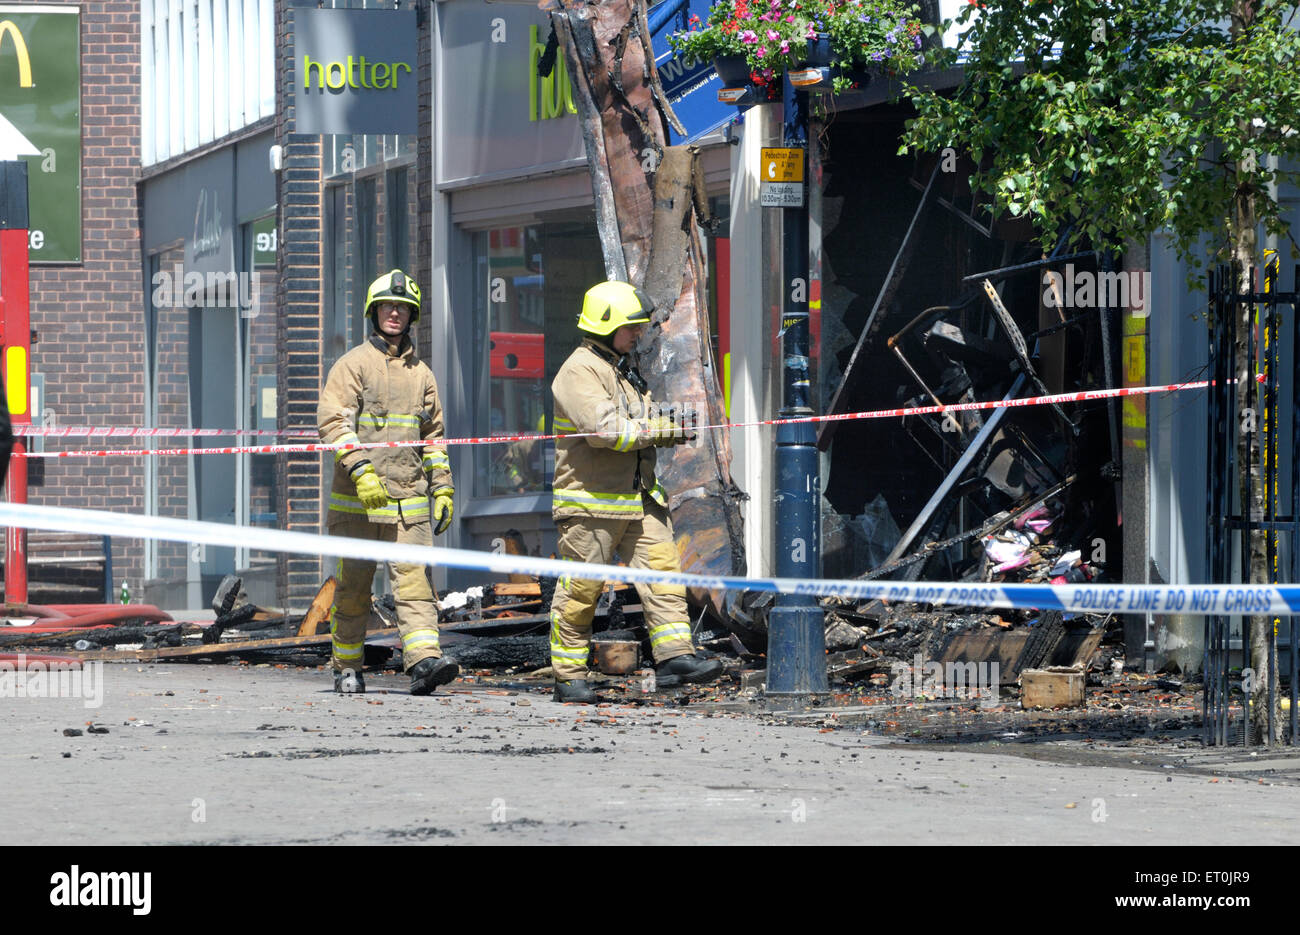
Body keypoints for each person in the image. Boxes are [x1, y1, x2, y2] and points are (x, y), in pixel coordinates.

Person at [548, 280, 722, 703]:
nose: (638, 333)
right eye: (631, 327)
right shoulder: (579, 372)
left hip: (639, 498)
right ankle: (568, 675)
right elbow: (609, 432)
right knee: (581, 590)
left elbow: (639, 423)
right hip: (591, 504)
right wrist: (661, 428)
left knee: (663, 576)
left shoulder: (620, 368)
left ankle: (675, 658)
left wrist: (669, 424)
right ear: (606, 325)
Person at [318, 269, 458, 695]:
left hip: (409, 500)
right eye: (387, 306)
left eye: (403, 307)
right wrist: (360, 472)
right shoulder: (353, 365)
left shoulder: (423, 375)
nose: (394, 313)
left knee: (416, 587)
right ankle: (347, 667)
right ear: (373, 312)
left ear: (412, 315)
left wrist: (443, 487)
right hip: (356, 503)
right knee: (354, 589)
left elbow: (434, 438)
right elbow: (333, 422)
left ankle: (424, 663)